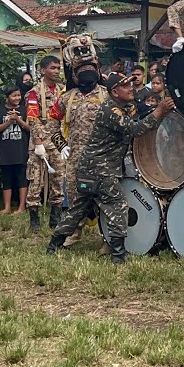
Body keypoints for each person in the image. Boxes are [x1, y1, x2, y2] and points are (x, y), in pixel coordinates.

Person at [48, 73, 174, 261]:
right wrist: (160, 111)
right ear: (114, 91)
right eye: (125, 86)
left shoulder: (123, 106)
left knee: (78, 208)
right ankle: (118, 254)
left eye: (131, 85)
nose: (131, 88)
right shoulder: (110, 110)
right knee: (117, 205)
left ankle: (53, 245)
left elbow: (138, 116)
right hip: (100, 168)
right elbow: (135, 129)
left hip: (91, 167)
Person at [50, 67, 110, 246]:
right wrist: (61, 144)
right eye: (81, 70)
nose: (86, 72)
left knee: (104, 197)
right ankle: (74, 232)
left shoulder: (106, 95)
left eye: (90, 69)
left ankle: (106, 237)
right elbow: (52, 120)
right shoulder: (67, 98)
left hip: (101, 157)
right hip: (75, 157)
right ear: (74, 76)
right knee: (75, 197)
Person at [25, 55, 66, 233]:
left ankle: (55, 218)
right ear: (43, 70)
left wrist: (63, 143)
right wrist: (38, 142)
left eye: (58, 68)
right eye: (52, 68)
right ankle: (34, 219)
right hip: (39, 140)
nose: (56, 71)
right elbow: (33, 118)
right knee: (36, 180)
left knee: (58, 178)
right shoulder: (34, 92)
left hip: (57, 139)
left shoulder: (62, 91)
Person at [0, 85, 30, 215]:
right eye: (14, 95)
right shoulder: (1, 110)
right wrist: (9, 121)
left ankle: (21, 207)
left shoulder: (24, 109)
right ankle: (7, 207)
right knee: (6, 179)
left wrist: (18, 119)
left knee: (22, 178)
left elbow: (29, 128)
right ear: (7, 97)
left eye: (18, 95)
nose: (17, 98)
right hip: (6, 151)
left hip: (21, 150)